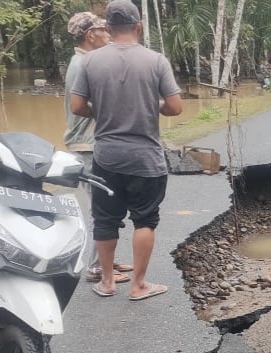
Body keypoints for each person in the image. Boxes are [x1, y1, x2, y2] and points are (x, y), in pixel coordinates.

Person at [70, 0, 183, 301]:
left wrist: (107, 110)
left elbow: (77, 106)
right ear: (138, 26)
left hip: (106, 157)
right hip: (145, 157)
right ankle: (138, 285)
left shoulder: (89, 62)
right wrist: (150, 105)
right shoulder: (156, 60)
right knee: (145, 220)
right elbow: (174, 106)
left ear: (107, 28)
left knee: (105, 219)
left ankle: (107, 282)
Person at [63, 12, 134, 285]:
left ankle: (106, 259)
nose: (108, 33)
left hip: (90, 144)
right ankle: (96, 267)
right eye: (104, 29)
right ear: (90, 35)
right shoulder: (84, 65)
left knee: (107, 206)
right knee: (102, 210)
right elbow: (81, 106)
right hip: (88, 147)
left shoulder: (84, 61)